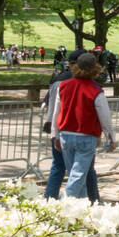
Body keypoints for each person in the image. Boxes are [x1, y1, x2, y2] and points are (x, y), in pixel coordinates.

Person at [50, 52, 115, 199]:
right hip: (86, 136)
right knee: (78, 176)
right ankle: (62, 205)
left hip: (66, 135)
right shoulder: (96, 90)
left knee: (77, 175)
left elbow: (56, 113)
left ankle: (80, 210)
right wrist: (110, 139)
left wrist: (56, 135)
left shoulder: (64, 86)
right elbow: (105, 119)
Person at [43, 49, 100, 203]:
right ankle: (90, 200)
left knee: (58, 167)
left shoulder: (58, 79)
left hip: (58, 128)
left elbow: (49, 104)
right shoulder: (82, 82)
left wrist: (53, 129)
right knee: (85, 169)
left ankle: (50, 199)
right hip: (77, 130)